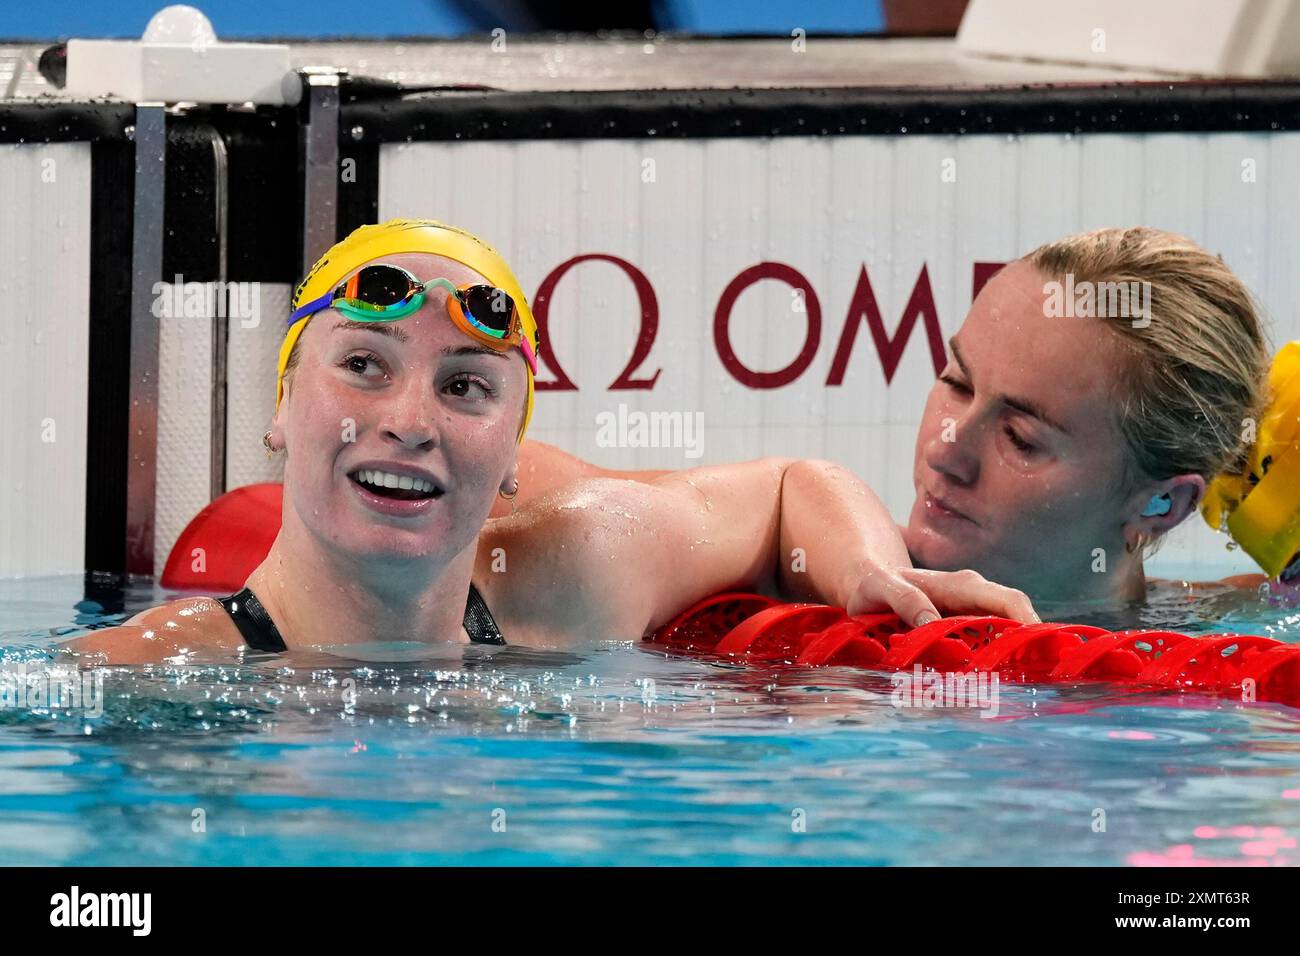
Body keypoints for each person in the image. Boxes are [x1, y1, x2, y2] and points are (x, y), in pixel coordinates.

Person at [67, 219, 1036, 665]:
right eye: (364, 365)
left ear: (509, 460)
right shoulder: (148, 672)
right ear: (282, 406)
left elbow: (788, 484)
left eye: (464, 386)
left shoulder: (563, 575)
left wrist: (870, 571)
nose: (410, 418)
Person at [493, 227, 1277, 613]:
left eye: (1021, 437)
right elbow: (510, 486)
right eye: (955, 382)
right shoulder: (807, 556)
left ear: (1163, 503)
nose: (948, 449)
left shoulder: (1222, 626)